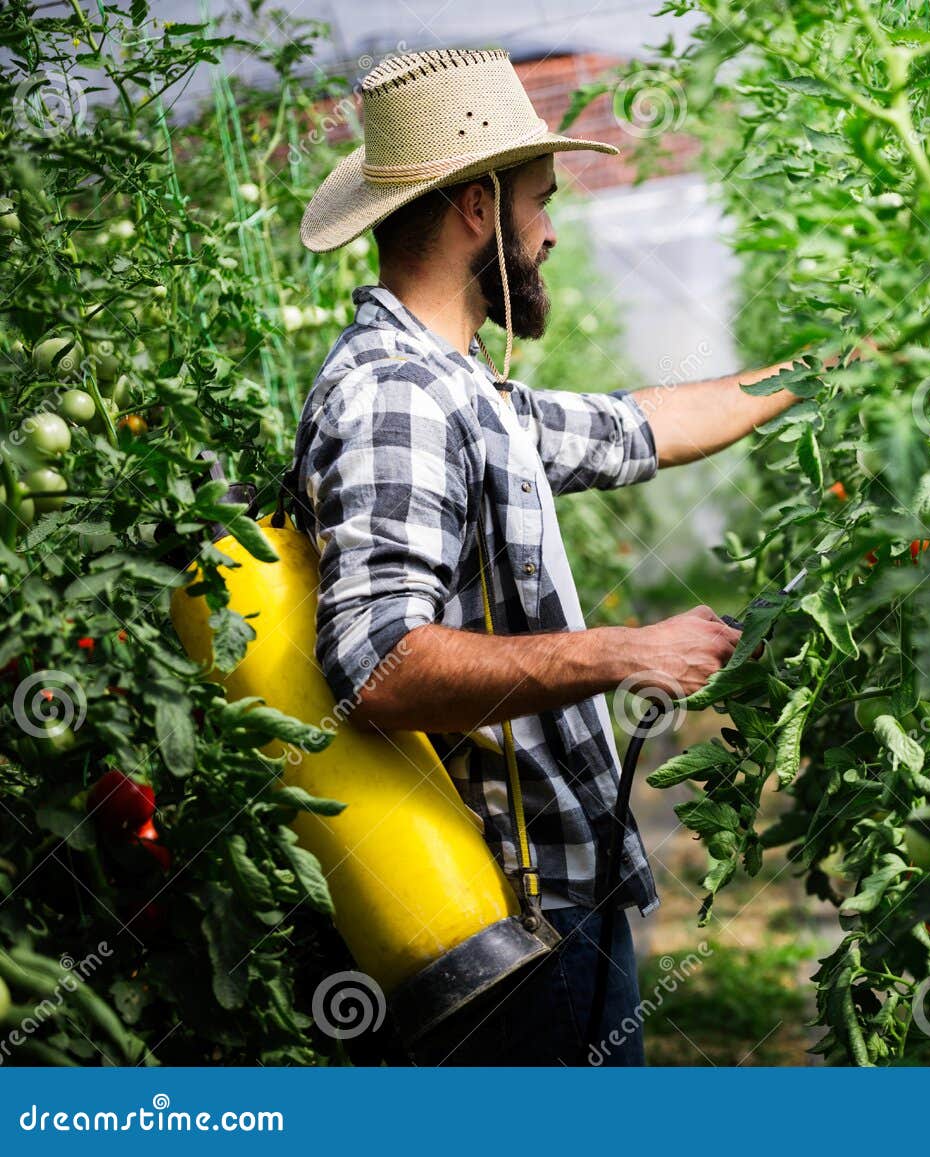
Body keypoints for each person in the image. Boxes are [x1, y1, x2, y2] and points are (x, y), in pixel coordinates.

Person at [295, 48, 819, 1065]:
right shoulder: (395, 394)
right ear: (475, 207)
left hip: (545, 899)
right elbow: (377, 662)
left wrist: (828, 371)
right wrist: (623, 651)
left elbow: (639, 426)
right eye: (537, 200)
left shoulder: (458, 387)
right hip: (499, 922)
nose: (548, 229)